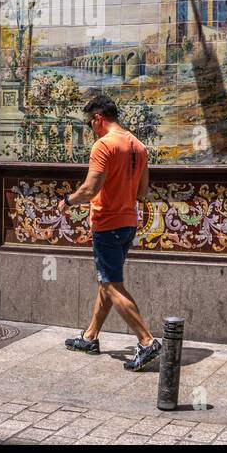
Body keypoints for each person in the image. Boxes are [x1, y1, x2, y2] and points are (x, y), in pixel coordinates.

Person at [60, 94, 160, 371]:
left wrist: (67, 201)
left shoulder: (103, 145)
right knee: (108, 280)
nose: (91, 128)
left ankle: (147, 341)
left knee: (111, 284)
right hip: (129, 222)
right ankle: (90, 337)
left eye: (90, 123)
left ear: (98, 119)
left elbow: (90, 189)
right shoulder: (138, 146)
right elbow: (143, 191)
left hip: (107, 223)